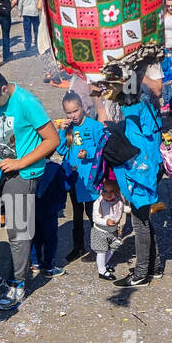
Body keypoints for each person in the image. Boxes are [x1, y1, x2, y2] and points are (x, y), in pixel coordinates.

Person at [0, 71, 58, 311]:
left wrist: (20, 162)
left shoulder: (28, 103)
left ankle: (17, 282)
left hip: (23, 173)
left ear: (4, 89)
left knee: (17, 230)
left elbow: (52, 140)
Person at [114, 84, 164, 286]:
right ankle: (155, 265)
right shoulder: (146, 102)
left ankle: (141, 273)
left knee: (139, 223)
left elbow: (137, 145)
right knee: (144, 218)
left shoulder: (132, 108)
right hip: (152, 166)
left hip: (142, 172)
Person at [57, 91, 103, 263]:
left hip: (90, 179)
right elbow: (61, 150)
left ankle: (97, 248)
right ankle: (78, 247)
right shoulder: (68, 129)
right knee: (76, 216)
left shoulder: (93, 126)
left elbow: (102, 150)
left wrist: (89, 152)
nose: (72, 115)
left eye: (75, 111)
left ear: (82, 108)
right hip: (74, 179)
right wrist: (61, 132)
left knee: (93, 215)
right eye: (68, 113)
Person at [90, 179, 127, 279]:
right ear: (101, 191)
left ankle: (103, 264)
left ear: (117, 192)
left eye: (112, 191)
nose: (108, 194)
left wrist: (135, 210)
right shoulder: (98, 203)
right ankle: (101, 271)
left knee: (113, 247)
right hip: (100, 231)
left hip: (112, 230)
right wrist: (106, 222)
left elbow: (124, 209)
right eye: (105, 191)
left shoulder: (118, 201)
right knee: (101, 251)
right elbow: (95, 218)